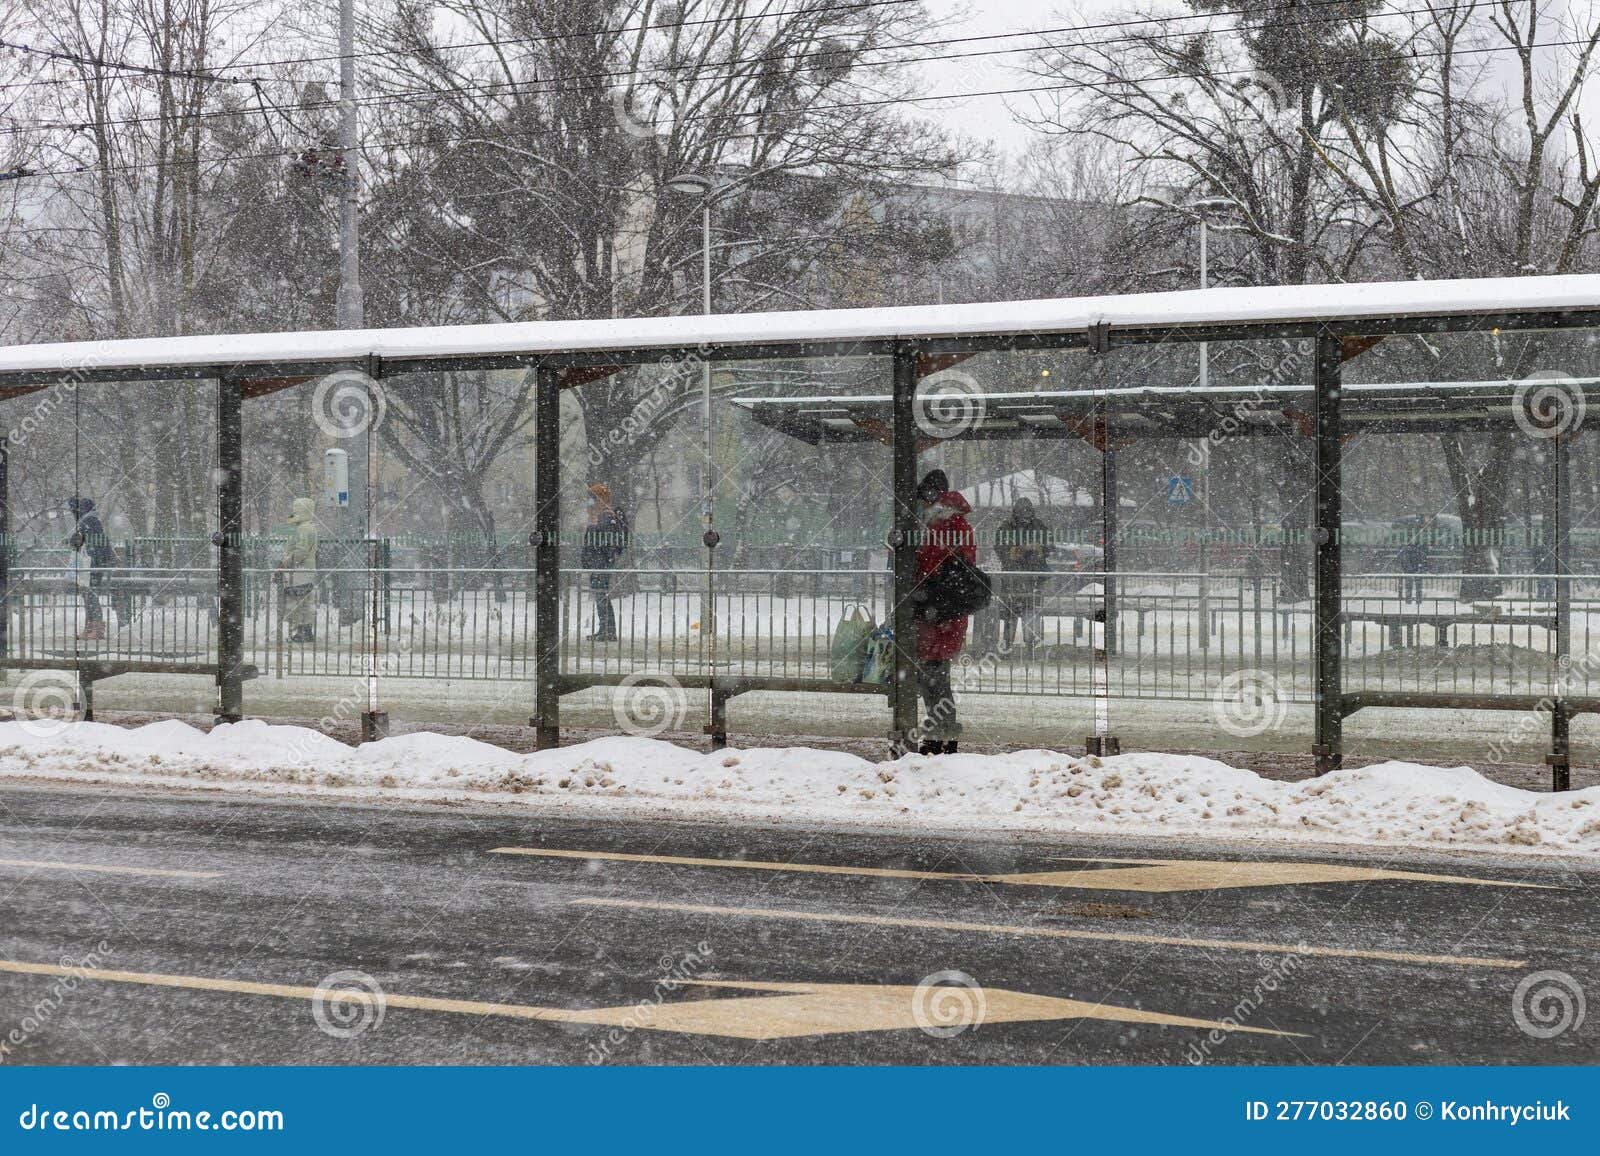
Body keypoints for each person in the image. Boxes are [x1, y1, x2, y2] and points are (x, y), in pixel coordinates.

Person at [910, 468, 975, 755]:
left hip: (937, 612)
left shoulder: (941, 526)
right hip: (948, 610)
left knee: (932, 678)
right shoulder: (958, 525)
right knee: (937, 677)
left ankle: (940, 736)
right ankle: (943, 735)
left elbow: (931, 565)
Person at [994, 496, 1049, 650]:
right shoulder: (1008, 527)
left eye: (1027, 511)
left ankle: (1024, 644)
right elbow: (1000, 548)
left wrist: (1036, 548)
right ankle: (1010, 644)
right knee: (1014, 614)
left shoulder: (1035, 526)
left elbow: (1049, 546)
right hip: (1017, 577)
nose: (1025, 515)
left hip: (1029, 577)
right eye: (1022, 511)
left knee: (1027, 613)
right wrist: (1019, 550)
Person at [581, 482, 629, 641]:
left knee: (601, 595)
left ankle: (608, 630)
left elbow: (605, 542)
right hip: (599, 563)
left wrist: (598, 559)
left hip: (601, 564)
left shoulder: (606, 516)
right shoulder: (602, 516)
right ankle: (605, 629)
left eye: (593, 498)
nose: (590, 502)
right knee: (601, 595)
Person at [67, 496, 114, 641]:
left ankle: (96, 629)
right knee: (88, 595)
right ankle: (91, 628)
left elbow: (79, 541)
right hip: (93, 563)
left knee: (90, 596)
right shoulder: (91, 520)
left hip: (92, 564)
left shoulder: (88, 521)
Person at [279, 498, 319, 643]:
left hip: (299, 570)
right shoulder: (309, 526)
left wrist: (287, 561)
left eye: (296, 508)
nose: (294, 511)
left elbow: (301, 551)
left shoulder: (303, 528)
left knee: (296, 602)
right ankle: (305, 630)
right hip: (306, 569)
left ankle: (299, 632)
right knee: (305, 601)